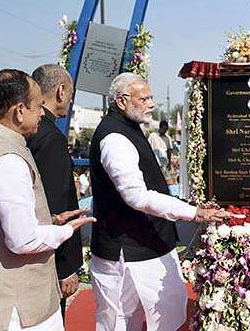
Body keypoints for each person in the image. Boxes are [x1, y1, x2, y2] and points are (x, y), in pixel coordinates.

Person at [0, 69, 95, 331]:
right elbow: (22, 240)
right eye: (38, 105)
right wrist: (63, 231)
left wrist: (49, 219)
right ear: (19, 111)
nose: (42, 113)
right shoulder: (6, 157)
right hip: (12, 308)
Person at [89, 73, 231, 330]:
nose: (152, 104)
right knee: (119, 319)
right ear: (122, 102)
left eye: (150, 97)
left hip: (145, 244)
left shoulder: (127, 128)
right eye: (144, 99)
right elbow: (136, 196)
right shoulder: (114, 138)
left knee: (166, 310)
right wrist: (193, 213)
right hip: (128, 250)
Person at [26, 64, 83, 320]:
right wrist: (65, 267)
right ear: (61, 91)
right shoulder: (51, 138)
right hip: (49, 261)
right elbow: (55, 207)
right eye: (70, 93)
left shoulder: (28, 133)